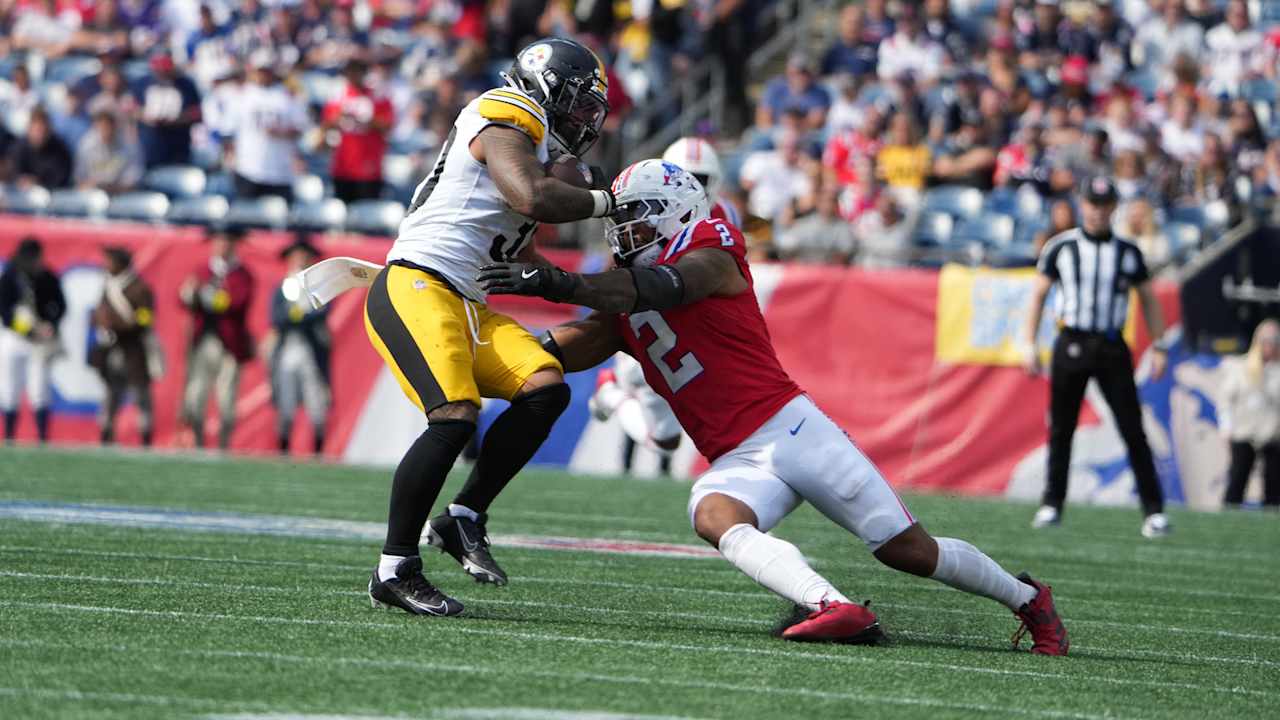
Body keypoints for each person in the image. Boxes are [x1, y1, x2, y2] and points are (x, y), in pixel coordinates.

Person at [476, 159, 1069, 655]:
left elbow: (668, 287)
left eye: (633, 217)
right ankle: (832, 605)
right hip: (737, 455)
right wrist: (483, 360)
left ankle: (1028, 599)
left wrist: (554, 281)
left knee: (907, 550)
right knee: (711, 512)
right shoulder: (623, 287)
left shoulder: (711, 246)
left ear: (671, 211)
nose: (622, 232)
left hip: (790, 428)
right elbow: (570, 344)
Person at [362, 38, 615, 617]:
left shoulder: (537, 145)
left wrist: (567, 279)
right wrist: (608, 202)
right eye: (578, 103)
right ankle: (395, 569)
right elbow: (530, 195)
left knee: (545, 386)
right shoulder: (508, 110)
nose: (584, 119)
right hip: (419, 282)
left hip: (466, 300)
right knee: (454, 416)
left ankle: (464, 515)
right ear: (546, 87)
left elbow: (524, 237)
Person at [1022, 177, 1171, 539]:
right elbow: (1038, 295)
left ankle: (1153, 510)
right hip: (1071, 341)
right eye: (1092, 203)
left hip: (1111, 345)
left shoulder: (1128, 252)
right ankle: (1052, 503)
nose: (1098, 211)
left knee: (1132, 429)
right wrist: (1028, 343)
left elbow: (1149, 299)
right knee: (1062, 428)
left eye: (1104, 205)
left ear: (1113, 208)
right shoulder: (1061, 247)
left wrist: (1160, 345)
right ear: (1082, 204)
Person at [179, 226, 256, 451]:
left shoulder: (242, 274)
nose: (222, 246)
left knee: (226, 399)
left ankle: (223, 445)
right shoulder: (203, 270)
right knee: (196, 396)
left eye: (227, 241)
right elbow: (186, 299)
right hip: (204, 341)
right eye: (219, 241)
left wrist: (211, 298)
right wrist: (191, 294)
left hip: (229, 345)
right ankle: (199, 442)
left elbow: (236, 302)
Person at [90, 246, 159, 446]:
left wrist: (117, 324)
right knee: (110, 394)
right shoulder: (108, 285)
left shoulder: (140, 288)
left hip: (133, 349)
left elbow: (145, 319)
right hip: (112, 349)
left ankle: (145, 435)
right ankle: (106, 433)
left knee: (141, 395)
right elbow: (99, 313)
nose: (106, 265)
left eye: (110, 261)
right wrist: (100, 321)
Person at [268, 236, 331, 456]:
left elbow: (323, 311)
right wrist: (292, 316)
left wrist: (303, 315)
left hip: (311, 350)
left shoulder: (318, 287)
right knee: (286, 403)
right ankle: (284, 449)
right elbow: (276, 317)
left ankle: (318, 451)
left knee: (317, 404)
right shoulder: (282, 287)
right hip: (288, 349)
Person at [0, 237, 65, 443]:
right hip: (14, 338)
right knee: (9, 388)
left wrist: (51, 324)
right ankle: (9, 435)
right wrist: (27, 330)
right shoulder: (10, 277)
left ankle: (42, 437)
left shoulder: (47, 277)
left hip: (40, 341)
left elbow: (61, 305)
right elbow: (5, 312)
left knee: (40, 389)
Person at [225, 48, 308, 199]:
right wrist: (230, 154)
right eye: (260, 70)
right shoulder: (241, 96)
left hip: (280, 171)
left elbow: (301, 129)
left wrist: (282, 133)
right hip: (248, 169)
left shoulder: (289, 95)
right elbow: (228, 131)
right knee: (247, 211)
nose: (263, 74)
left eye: (267, 70)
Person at [590, 353, 682, 477]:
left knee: (664, 435)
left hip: (648, 387)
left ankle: (662, 468)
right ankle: (627, 466)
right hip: (640, 387)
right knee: (655, 434)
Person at [1221, 319, 1280, 509]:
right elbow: (1225, 399)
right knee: (1237, 479)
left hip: (1272, 434)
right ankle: (1228, 514)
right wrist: (1226, 426)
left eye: (1274, 340)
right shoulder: (1241, 366)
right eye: (1265, 340)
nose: (1269, 345)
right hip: (1244, 432)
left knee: (1274, 487)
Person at [323, 58, 394, 203]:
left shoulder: (378, 97)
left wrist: (367, 120)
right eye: (351, 73)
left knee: (368, 210)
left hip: (369, 167)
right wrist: (340, 117)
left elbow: (387, 125)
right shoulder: (339, 97)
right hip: (343, 166)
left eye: (357, 72)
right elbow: (326, 124)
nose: (354, 77)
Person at [134, 52, 202, 168]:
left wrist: (178, 119)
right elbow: (131, 109)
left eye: (165, 70)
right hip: (151, 145)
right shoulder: (142, 84)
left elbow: (197, 113)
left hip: (178, 144)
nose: (162, 74)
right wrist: (146, 116)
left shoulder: (186, 85)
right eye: (158, 70)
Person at [662, 137, 741, 226]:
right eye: (684, 180)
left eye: (700, 179)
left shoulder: (726, 213)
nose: (694, 186)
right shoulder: (657, 213)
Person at [73, 110, 144, 194]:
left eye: (108, 127)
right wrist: (94, 186)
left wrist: (113, 189)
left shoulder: (129, 145)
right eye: (102, 127)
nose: (106, 131)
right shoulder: (86, 146)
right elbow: (80, 180)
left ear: (115, 127)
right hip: (93, 194)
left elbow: (133, 180)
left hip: (122, 195)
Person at [6, 107, 73, 189]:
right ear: (29, 129)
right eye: (37, 130)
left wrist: (38, 182)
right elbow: (12, 173)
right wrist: (21, 180)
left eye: (43, 131)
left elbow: (61, 178)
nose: (40, 135)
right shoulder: (18, 149)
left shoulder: (60, 150)